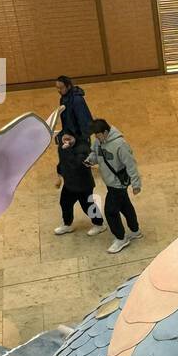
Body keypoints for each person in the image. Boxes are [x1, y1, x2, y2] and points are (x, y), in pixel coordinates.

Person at [84, 118, 142, 254]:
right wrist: (90, 160)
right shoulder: (98, 141)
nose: (96, 138)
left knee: (110, 212)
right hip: (110, 183)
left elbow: (131, 164)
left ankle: (121, 238)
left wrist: (136, 184)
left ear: (105, 132)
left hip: (118, 184)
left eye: (98, 135)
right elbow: (95, 153)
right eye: (95, 135)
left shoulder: (120, 144)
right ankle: (135, 230)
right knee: (125, 206)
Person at [54, 131, 106, 237]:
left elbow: (78, 165)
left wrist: (67, 149)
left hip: (83, 184)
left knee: (88, 205)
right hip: (69, 183)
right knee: (65, 203)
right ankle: (67, 224)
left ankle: (99, 224)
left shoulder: (83, 148)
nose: (66, 141)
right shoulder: (62, 146)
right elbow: (62, 162)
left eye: (69, 139)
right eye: (64, 139)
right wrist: (59, 175)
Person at [55, 75, 93, 143]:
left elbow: (84, 120)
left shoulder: (77, 100)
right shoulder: (63, 98)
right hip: (72, 134)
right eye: (57, 88)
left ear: (68, 86)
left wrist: (83, 139)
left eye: (61, 88)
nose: (58, 90)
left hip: (79, 137)